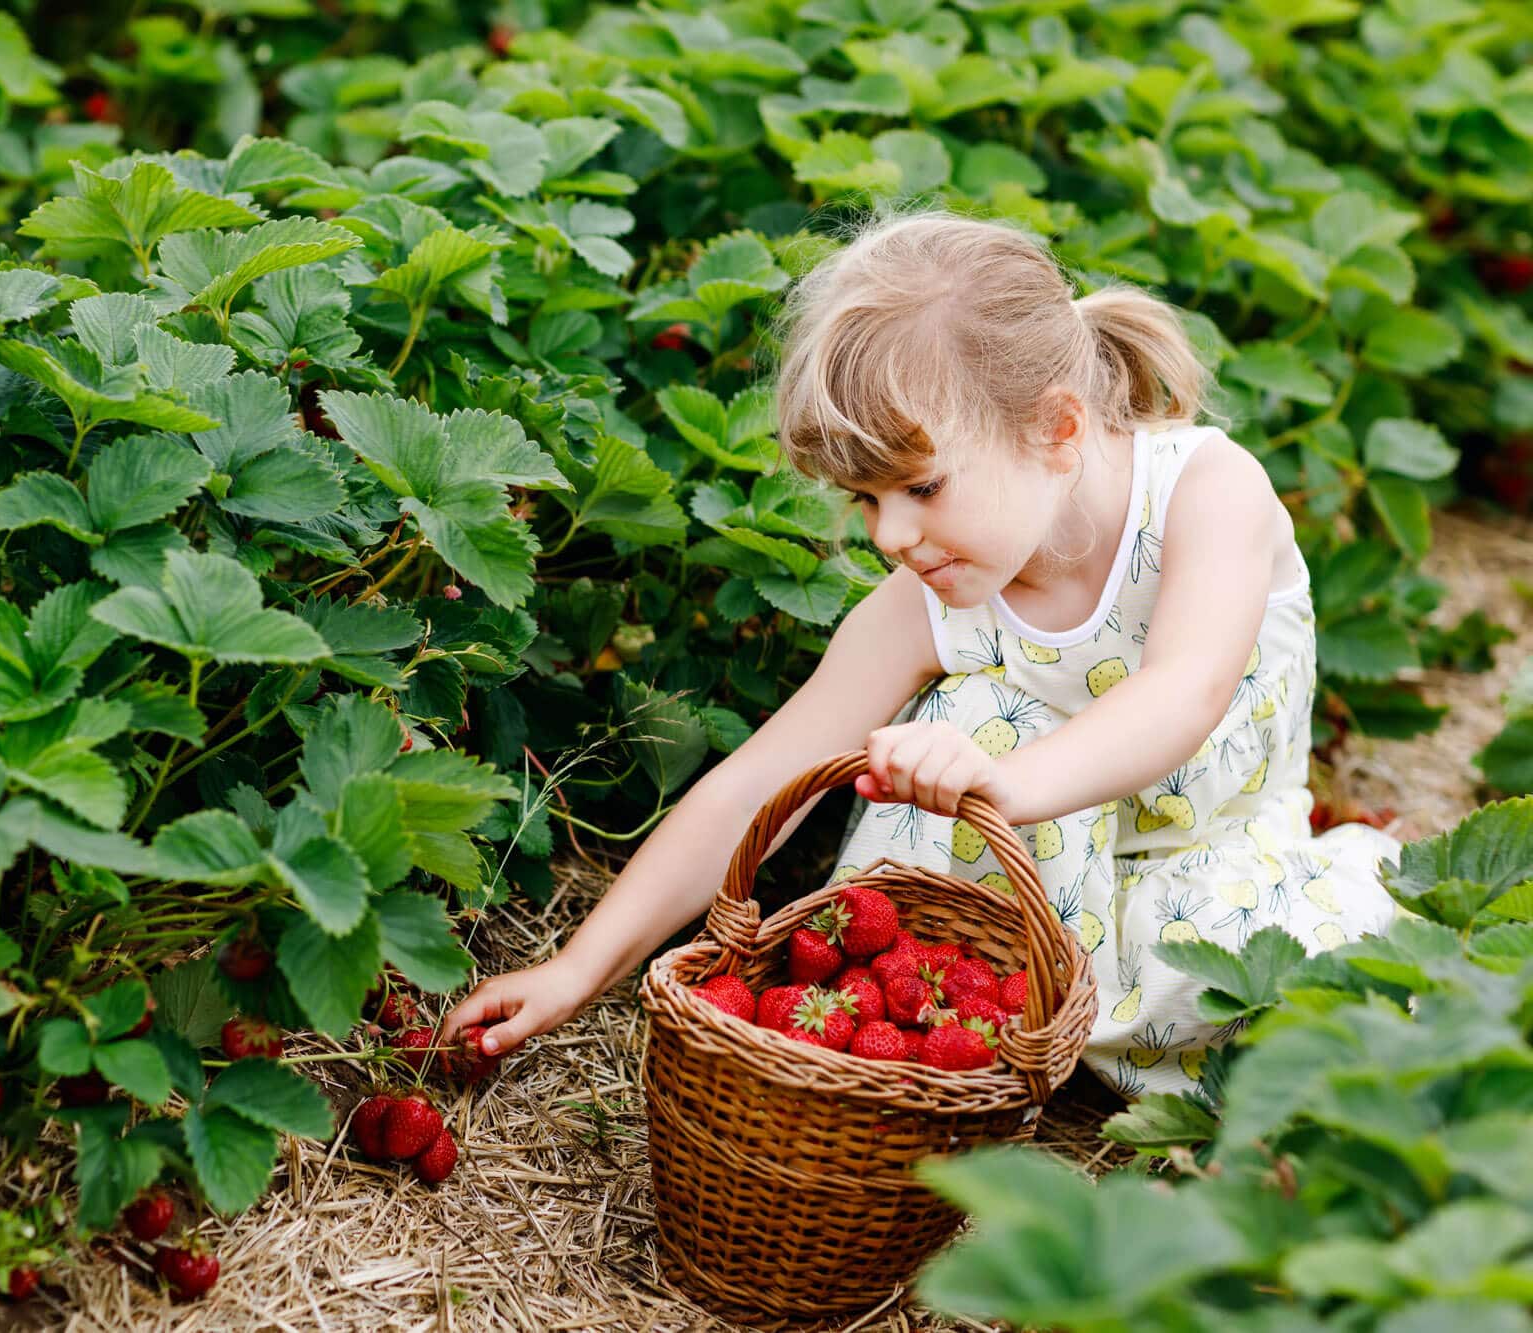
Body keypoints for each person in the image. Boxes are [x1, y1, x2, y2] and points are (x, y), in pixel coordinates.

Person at [440, 208, 1401, 1098]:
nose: (891, 535)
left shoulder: (1207, 492)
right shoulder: (927, 597)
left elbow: (1180, 694)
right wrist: (577, 967)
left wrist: (1005, 782)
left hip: (1202, 867)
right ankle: (974, 1036)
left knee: (1285, 981)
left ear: (1057, 429)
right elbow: (760, 780)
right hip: (1026, 913)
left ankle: (1087, 1028)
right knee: (964, 717)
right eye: (865, 499)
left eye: (923, 486)